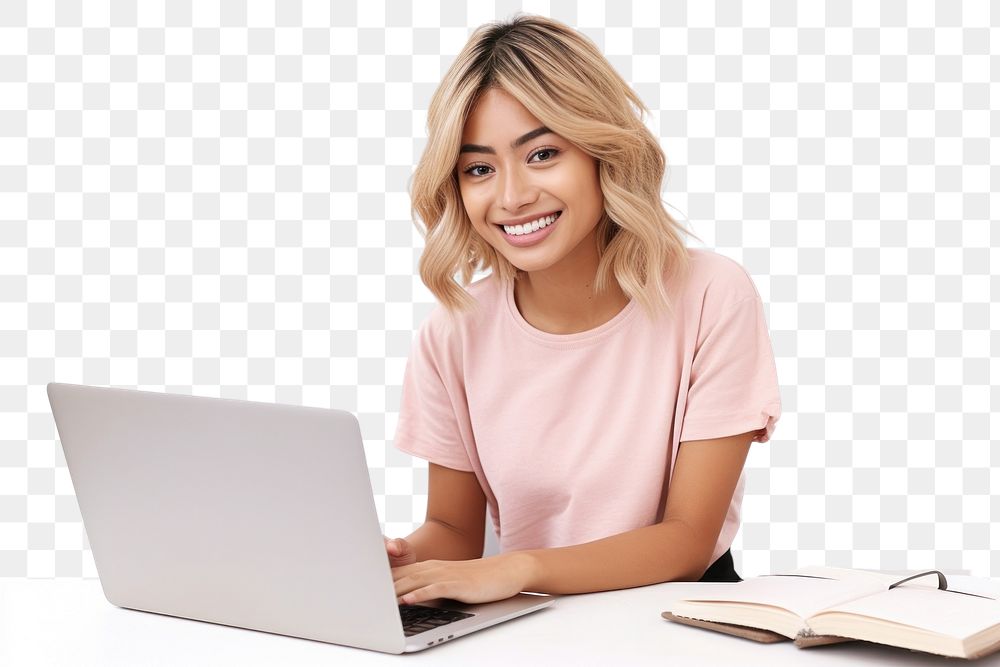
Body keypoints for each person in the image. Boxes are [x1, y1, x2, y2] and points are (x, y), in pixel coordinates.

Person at [385, 14, 782, 606]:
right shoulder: (453, 332)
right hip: (528, 617)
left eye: (542, 153)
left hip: (678, 614)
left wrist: (515, 569)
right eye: (479, 169)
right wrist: (400, 562)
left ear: (602, 152)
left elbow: (688, 541)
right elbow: (454, 531)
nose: (513, 195)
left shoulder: (711, 295)